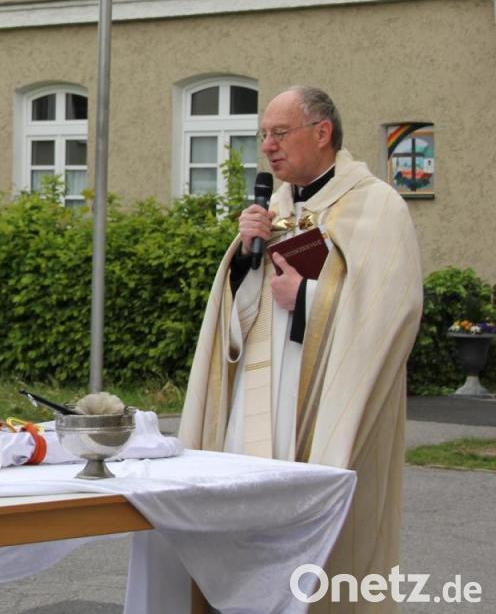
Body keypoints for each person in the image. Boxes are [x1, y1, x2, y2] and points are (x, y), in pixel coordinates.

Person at [179, 86, 423, 613]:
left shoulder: (376, 205)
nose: (267, 145)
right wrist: (245, 260)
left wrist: (309, 299)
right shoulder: (274, 206)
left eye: (279, 133)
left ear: (322, 132)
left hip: (325, 403)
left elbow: (391, 310)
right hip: (257, 401)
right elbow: (238, 319)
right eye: (263, 134)